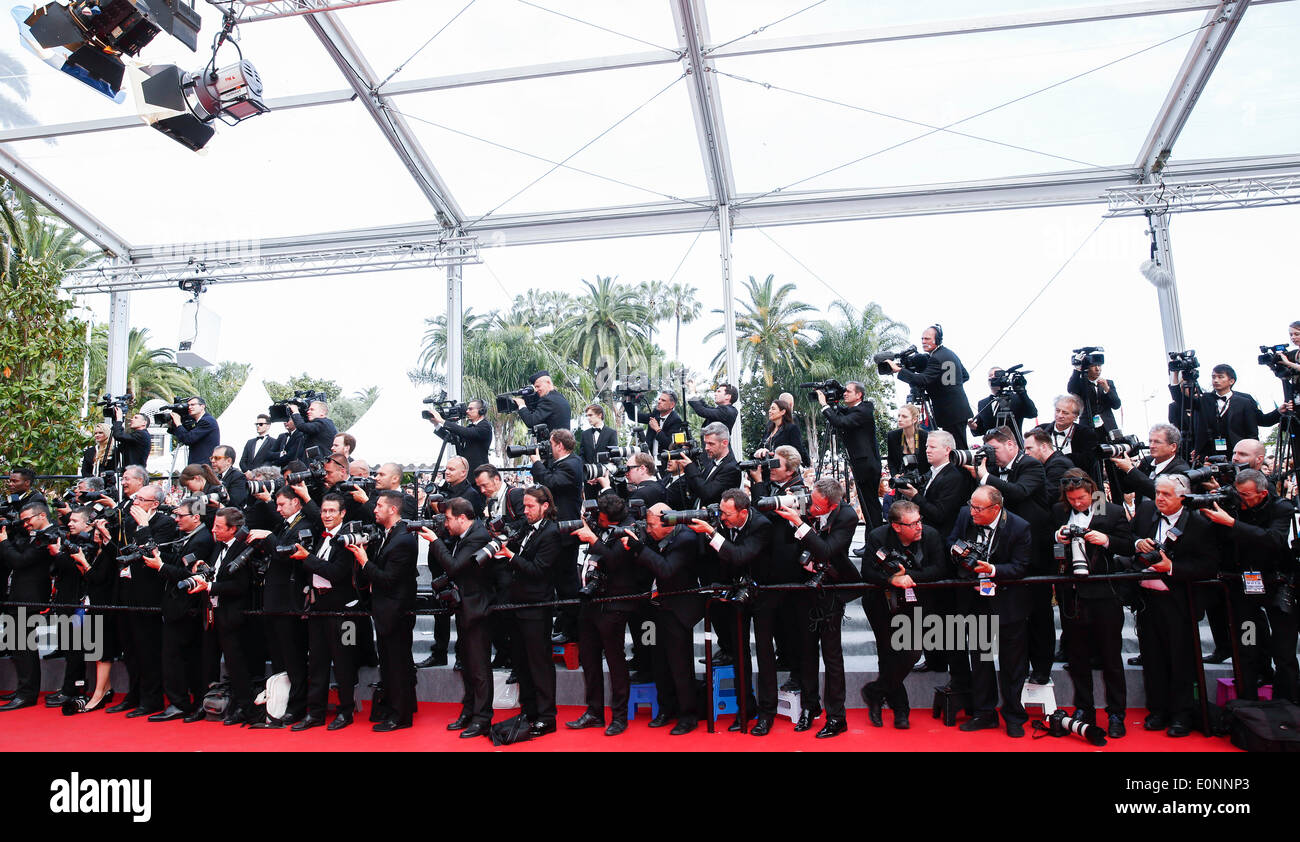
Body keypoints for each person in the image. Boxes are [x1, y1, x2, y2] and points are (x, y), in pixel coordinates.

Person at [770, 477, 862, 738]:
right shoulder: (804, 505)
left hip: (830, 590)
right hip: (802, 588)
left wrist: (800, 524)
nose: (811, 508)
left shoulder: (847, 516)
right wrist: (794, 518)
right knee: (805, 652)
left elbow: (827, 550)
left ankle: (837, 716)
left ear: (832, 506)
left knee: (832, 656)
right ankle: (810, 708)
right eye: (811, 501)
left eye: (817, 506)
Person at [1129, 475, 1219, 737]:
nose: (1159, 498)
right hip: (1147, 600)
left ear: (1183, 497)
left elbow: (1209, 565)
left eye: (1166, 494)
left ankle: (1182, 715)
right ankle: (1157, 711)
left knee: (1180, 660)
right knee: (1153, 657)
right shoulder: (1146, 512)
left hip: (1179, 602)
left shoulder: (1200, 523)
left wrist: (1172, 568)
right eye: (1158, 493)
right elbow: (1130, 537)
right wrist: (1137, 544)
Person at [1199, 468, 1297, 704]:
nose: (1241, 499)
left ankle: (1287, 703)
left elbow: (1273, 539)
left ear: (1262, 494)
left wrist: (1232, 523)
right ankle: (1247, 700)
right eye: (1238, 493)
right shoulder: (1233, 505)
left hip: (1279, 584)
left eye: (1246, 495)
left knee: (1284, 650)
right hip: (1245, 586)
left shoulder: (1281, 507)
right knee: (1247, 643)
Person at [1051, 469, 1135, 738]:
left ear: (1092, 491)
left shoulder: (1110, 512)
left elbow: (1129, 546)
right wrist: (1057, 538)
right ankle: (1084, 709)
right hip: (1072, 596)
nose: (1077, 503)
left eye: (1082, 498)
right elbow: (1044, 544)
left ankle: (1115, 713)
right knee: (1077, 658)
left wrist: (1106, 540)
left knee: (1111, 657)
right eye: (1072, 499)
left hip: (1105, 595)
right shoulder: (1058, 511)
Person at [968, 426, 1053, 684]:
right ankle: (1019, 668)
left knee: (1039, 612)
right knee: (1015, 615)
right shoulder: (993, 470)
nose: (991, 455)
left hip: (1036, 552)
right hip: (1005, 553)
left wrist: (985, 477)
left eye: (994, 449)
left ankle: (1041, 668)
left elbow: (1018, 493)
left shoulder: (1031, 466)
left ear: (1011, 446)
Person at [948, 485, 1034, 737]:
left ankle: (1014, 715)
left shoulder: (1020, 527)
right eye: (971, 505)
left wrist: (992, 570)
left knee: (1012, 663)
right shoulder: (965, 515)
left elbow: (1021, 567)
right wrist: (961, 556)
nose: (972, 512)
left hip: (1008, 603)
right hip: (975, 603)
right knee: (981, 660)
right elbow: (951, 541)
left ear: (996, 509)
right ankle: (984, 712)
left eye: (978, 508)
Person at [565, 492, 652, 736]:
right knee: (590, 660)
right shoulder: (600, 525)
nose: (597, 521)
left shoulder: (629, 530)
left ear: (611, 518)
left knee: (615, 661)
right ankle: (593, 712)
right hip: (591, 600)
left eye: (601, 519)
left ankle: (620, 716)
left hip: (615, 604)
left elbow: (615, 561)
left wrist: (593, 539)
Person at [860, 500, 947, 729]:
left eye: (919, 521)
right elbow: (867, 571)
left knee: (911, 652)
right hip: (881, 604)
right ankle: (900, 710)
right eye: (913, 524)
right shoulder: (878, 536)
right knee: (888, 654)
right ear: (897, 526)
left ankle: (875, 692)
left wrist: (908, 575)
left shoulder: (931, 535)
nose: (919, 527)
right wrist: (891, 579)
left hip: (915, 603)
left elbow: (939, 569)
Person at [687, 489, 769, 731]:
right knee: (738, 653)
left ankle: (766, 712)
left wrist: (711, 533)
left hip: (763, 594)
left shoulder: (761, 525)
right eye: (721, 512)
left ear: (744, 512)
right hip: (732, 592)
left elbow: (740, 555)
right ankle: (745, 708)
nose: (722, 518)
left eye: (727, 514)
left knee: (764, 656)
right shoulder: (722, 522)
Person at [420, 497, 496, 737]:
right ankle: (469, 710)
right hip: (465, 608)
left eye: (449, 519)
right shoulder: (464, 536)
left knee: (479, 667)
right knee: (467, 664)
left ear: (462, 518)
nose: (446, 525)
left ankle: (482, 717)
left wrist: (434, 541)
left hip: (478, 610)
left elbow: (454, 567)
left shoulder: (478, 537)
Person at [345, 490, 419, 732]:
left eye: (378, 506)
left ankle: (400, 716)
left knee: (397, 664)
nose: (374, 510)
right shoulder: (391, 534)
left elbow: (388, 580)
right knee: (390, 663)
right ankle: (396, 708)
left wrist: (365, 560)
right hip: (386, 609)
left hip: (396, 611)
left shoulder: (404, 539)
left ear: (393, 510)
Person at [631, 503, 703, 735]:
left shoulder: (687, 539)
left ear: (668, 523)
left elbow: (665, 570)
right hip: (652, 610)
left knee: (680, 664)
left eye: (652, 525)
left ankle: (688, 714)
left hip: (677, 610)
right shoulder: (653, 537)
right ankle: (666, 708)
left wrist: (639, 547)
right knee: (658, 661)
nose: (649, 530)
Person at [495, 486, 561, 738]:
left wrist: (510, 556)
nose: (525, 511)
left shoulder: (551, 533)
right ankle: (529, 710)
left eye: (530, 506)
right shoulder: (527, 528)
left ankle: (547, 716)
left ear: (545, 506)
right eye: (524, 506)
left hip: (537, 607)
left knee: (540, 663)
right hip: (518, 605)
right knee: (522, 663)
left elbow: (539, 570)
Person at [145, 496, 214, 721]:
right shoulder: (192, 536)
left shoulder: (202, 539)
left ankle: (181, 702)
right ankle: (188, 702)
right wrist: (160, 556)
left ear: (196, 517)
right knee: (183, 658)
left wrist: (161, 566)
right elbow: (179, 562)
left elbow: (191, 576)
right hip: (180, 607)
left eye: (180, 516)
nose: (176, 520)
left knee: (177, 658)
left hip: (186, 607)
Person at [295, 494, 360, 731]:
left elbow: (336, 573)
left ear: (343, 513)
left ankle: (345, 711)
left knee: (344, 662)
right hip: (319, 608)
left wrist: (307, 558)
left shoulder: (347, 540)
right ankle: (316, 713)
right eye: (324, 511)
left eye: (332, 511)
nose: (327, 515)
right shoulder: (320, 537)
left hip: (345, 612)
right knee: (318, 663)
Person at [192, 507, 257, 725]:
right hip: (211, 613)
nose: (214, 530)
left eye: (219, 527)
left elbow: (240, 586)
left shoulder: (243, 548)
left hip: (232, 616)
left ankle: (244, 708)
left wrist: (210, 586)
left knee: (236, 665)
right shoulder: (218, 545)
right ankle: (205, 704)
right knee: (207, 661)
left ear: (233, 529)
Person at [0, 502, 56, 710]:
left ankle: (27, 694)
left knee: (24, 647)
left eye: (28, 520)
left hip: (30, 598)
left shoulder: (49, 535)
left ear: (41, 515)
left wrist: (4, 542)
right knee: (17, 646)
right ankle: (23, 688)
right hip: (19, 596)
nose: (25, 524)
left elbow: (20, 561)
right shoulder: (33, 535)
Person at [530, 428, 583, 644]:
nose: (548, 449)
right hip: (559, 531)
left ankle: (575, 632)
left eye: (551, 445)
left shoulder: (571, 465)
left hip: (565, 533)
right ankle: (565, 626)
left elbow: (549, 483)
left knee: (567, 583)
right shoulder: (568, 463)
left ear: (559, 445)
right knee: (561, 582)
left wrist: (536, 462)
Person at [891, 324, 973, 448]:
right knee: (958, 447)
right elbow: (964, 376)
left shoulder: (936, 358)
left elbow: (922, 380)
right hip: (958, 410)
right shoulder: (949, 354)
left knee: (957, 450)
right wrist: (945, 385)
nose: (924, 342)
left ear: (937, 339)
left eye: (927, 339)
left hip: (950, 412)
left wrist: (899, 370)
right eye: (922, 339)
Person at [817, 380, 883, 528]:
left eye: (848, 391)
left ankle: (876, 540)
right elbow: (840, 412)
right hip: (862, 464)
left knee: (870, 505)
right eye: (844, 391)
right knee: (867, 505)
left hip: (867, 465)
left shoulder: (863, 410)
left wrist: (824, 405)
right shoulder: (855, 409)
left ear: (859, 395)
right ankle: (872, 540)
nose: (844, 394)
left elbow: (841, 422)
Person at [1195, 364, 1281, 460]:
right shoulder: (1205, 399)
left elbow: (1256, 425)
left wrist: (1252, 452)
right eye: (1213, 377)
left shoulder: (1244, 400)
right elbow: (1182, 401)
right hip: (1210, 452)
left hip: (1238, 451)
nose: (1216, 380)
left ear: (1231, 381)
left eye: (1220, 377)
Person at [1111, 423, 1190, 507]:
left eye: (1157, 442)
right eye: (1150, 441)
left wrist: (1130, 469)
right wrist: (1120, 466)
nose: (1151, 446)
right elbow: (1126, 488)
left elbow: (1158, 493)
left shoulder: (1181, 469)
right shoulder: (1147, 461)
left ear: (1173, 447)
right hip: (1141, 516)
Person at [674, 421, 741, 508]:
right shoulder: (711, 463)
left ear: (724, 443)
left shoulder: (732, 468)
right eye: (706, 443)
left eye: (711, 444)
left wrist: (690, 467)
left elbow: (707, 493)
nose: (706, 448)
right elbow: (696, 488)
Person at [1033, 394, 1100, 482]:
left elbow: (1088, 461)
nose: (1059, 415)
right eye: (1057, 411)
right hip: (1045, 481)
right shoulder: (1041, 430)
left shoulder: (1086, 434)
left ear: (1075, 416)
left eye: (1065, 413)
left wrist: (1060, 459)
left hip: (1075, 483)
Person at [970, 367, 1038, 438]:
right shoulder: (983, 403)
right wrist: (973, 427)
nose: (993, 377)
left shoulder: (1016, 398)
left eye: (997, 375)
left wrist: (1022, 392)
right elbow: (980, 430)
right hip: (991, 446)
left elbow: (1032, 413)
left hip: (1013, 444)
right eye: (990, 375)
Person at [429, 399, 493, 473]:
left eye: (470, 409)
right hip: (466, 472)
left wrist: (441, 420)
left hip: (478, 472)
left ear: (481, 411)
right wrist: (436, 424)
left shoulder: (485, 426)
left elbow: (466, 432)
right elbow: (451, 438)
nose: (467, 411)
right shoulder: (470, 427)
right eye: (467, 409)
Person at [628, 390, 687, 459]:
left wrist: (657, 429)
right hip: (649, 458)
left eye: (663, 400)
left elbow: (669, 445)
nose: (659, 402)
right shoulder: (656, 413)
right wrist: (627, 400)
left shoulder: (676, 420)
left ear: (672, 405)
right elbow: (635, 416)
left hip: (665, 460)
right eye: (659, 399)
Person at [1068, 357, 1121, 433]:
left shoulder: (1108, 383)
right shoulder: (1081, 383)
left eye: (1099, 365)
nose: (1097, 369)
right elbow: (1071, 389)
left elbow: (1116, 405)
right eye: (1093, 366)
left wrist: (1107, 389)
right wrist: (1077, 370)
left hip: (1108, 427)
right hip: (1087, 426)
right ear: (1087, 368)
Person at [578, 403, 618, 500]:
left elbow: (613, 455)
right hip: (589, 479)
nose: (588, 418)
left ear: (600, 415)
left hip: (606, 478)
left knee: (607, 506)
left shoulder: (611, 433)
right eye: (587, 415)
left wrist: (601, 474)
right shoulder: (585, 434)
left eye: (590, 415)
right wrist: (588, 475)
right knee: (590, 507)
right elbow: (582, 456)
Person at [167, 396, 220, 466]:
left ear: (202, 406)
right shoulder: (196, 421)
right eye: (188, 405)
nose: (190, 407)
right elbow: (182, 435)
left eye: (193, 405)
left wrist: (178, 422)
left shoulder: (207, 421)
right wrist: (172, 424)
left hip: (205, 466)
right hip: (197, 464)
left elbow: (188, 439)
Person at [1024, 427, 1074, 501]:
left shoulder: (1059, 464)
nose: (1026, 453)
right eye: (1025, 449)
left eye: (1029, 448)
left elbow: (1048, 496)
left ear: (1044, 447)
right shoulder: (1049, 463)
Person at [516, 370, 572, 436]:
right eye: (535, 387)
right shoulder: (560, 397)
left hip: (553, 444)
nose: (536, 390)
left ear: (548, 382)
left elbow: (531, 422)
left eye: (538, 386)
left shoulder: (548, 400)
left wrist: (521, 405)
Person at [886, 404, 929, 477]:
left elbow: (931, 463)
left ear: (914, 419)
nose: (899, 419)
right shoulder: (892, 436)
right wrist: (895, 475)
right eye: (899, 416)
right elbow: (891, 460)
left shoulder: (925, 437)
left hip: (922, 482)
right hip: (901, 480)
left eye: (904, 417)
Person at [111, 407, 152, 471]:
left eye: (136, 418)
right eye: (132, 418)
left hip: (135, 473)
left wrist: (119, 419)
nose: (132, 419)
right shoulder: (137, 435)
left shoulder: (142, 435)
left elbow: (118, 435)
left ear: (144, 423)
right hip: (133, 471)